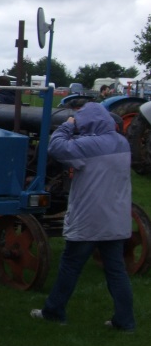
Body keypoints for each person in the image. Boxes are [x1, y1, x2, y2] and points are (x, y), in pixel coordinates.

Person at [31, 102, 134, 331]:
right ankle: (125, 321)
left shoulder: (89, 145)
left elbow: (55, 147)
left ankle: (54, 311)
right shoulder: (122, 143)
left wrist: (68, 126)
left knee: (70, 266)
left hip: (89, 218)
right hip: (115, 218)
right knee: (116, 271)